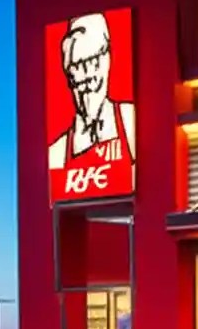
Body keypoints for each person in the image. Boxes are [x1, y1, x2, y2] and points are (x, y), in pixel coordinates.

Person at [47, 12, 135, 199]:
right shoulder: (56, 153)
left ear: (107, 60)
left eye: (93, 63)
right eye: (76, 69)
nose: (85, 78)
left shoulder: (130, 120)